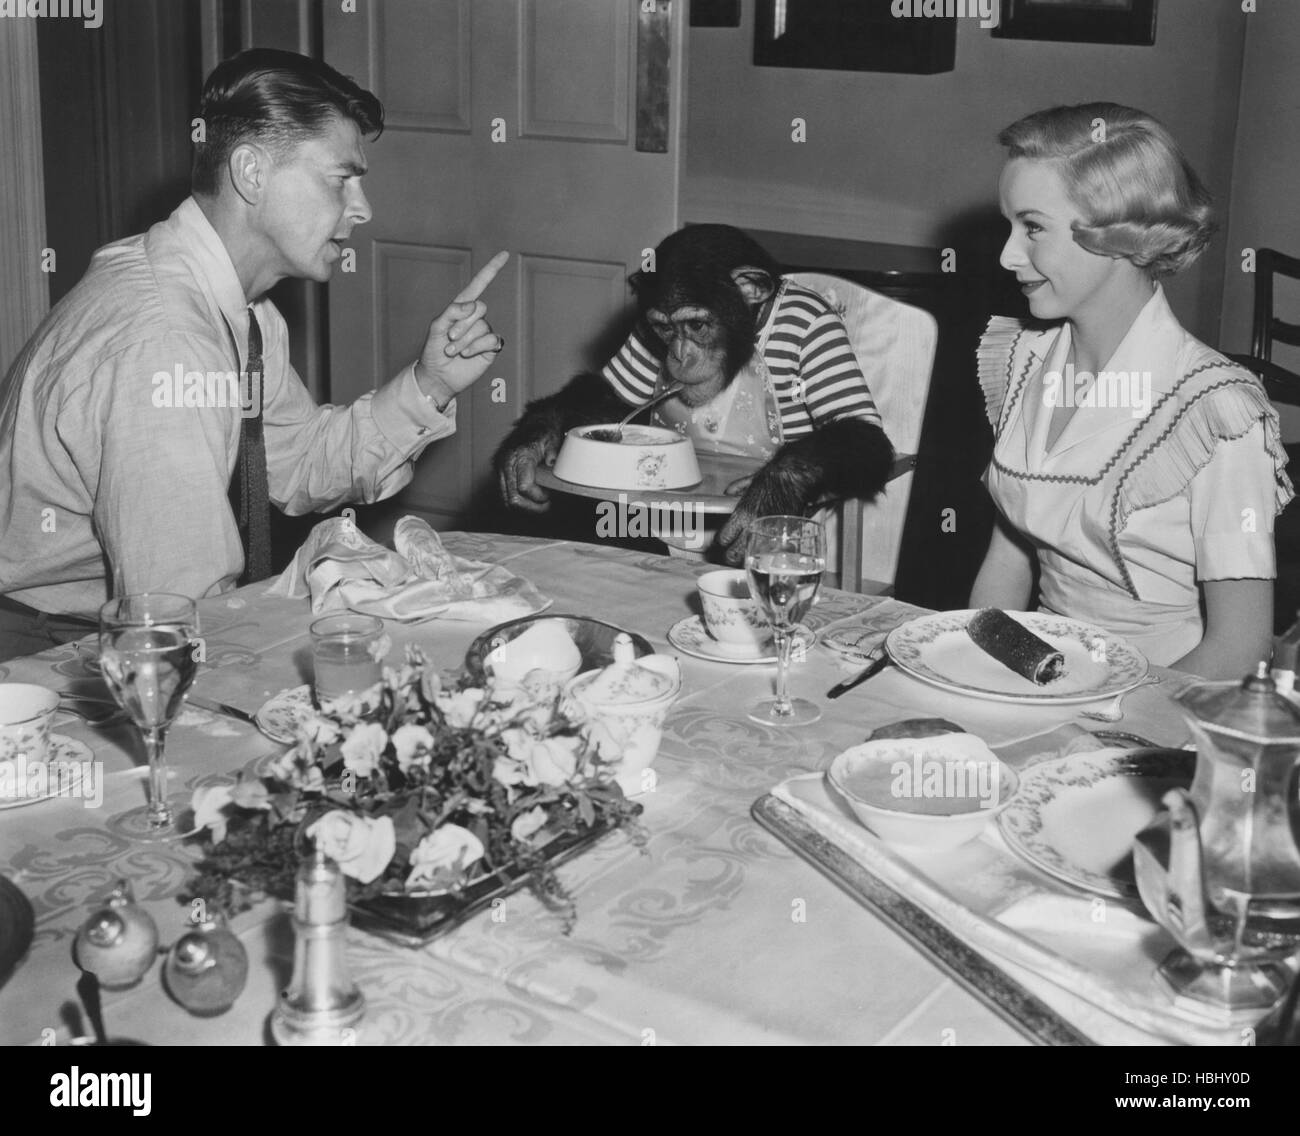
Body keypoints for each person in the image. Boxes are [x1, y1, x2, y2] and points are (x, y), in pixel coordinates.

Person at [0, 49, 505, 662]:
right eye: (341, 178)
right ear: (252, 173)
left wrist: (429, 383)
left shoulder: (237, 307)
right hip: (44, 654)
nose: (363, 207)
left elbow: (299, 465)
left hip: (118, 629)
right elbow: (174, 616)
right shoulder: (167, 344)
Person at [971, 103, 1293, 677]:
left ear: (1118, 234)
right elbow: (1008, 560)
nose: (1007, 254)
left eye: (1034, 227)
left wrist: (1106, 718)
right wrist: (971, 671)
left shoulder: (1216, 411)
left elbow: (1243, 646)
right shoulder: (1022, 358)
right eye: (1009, 225)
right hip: (1042, 675)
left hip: (1164, 710)